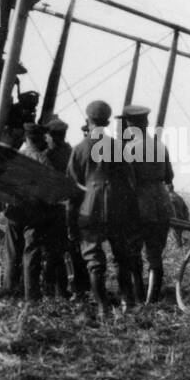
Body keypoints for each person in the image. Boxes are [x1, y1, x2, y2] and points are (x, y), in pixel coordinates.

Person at [66, 100, 139, 318]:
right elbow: (130, 183)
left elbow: (72, 190)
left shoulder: (79, 149)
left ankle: (103, 308)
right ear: (107, 122)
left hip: (90, 211)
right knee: (122, 257)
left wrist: (70, 222)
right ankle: (128, 303)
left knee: (94, 263)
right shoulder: (118, 147)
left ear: (88, 121)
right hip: (117, 210)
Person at [121, 105, 172, 304]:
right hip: (162, 203)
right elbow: (169, 176)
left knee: (133, 251)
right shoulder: (160, 146)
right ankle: (152, 301)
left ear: (129, 125)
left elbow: (127, 180)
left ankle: (139, 296)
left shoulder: (129, 148)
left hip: (140, 205)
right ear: (147, 123)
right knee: (155, 254)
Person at [4, 123, 60, 301]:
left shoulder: (15, 157)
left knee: (11, 252)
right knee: (31, 253)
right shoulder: (43, 160)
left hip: (14, 211)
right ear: (41, 138)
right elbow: (50, 188)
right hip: (34, 212)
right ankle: (31, 297)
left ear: (26, 138)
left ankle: (9, 292)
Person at [44, 118, 88, 297]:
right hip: (74, 208)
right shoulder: (72, 151)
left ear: (51, 136)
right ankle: (80, 288)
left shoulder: (47, 155)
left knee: (53, 252)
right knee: (75, 250)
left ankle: (57, 290)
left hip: (56, 209)